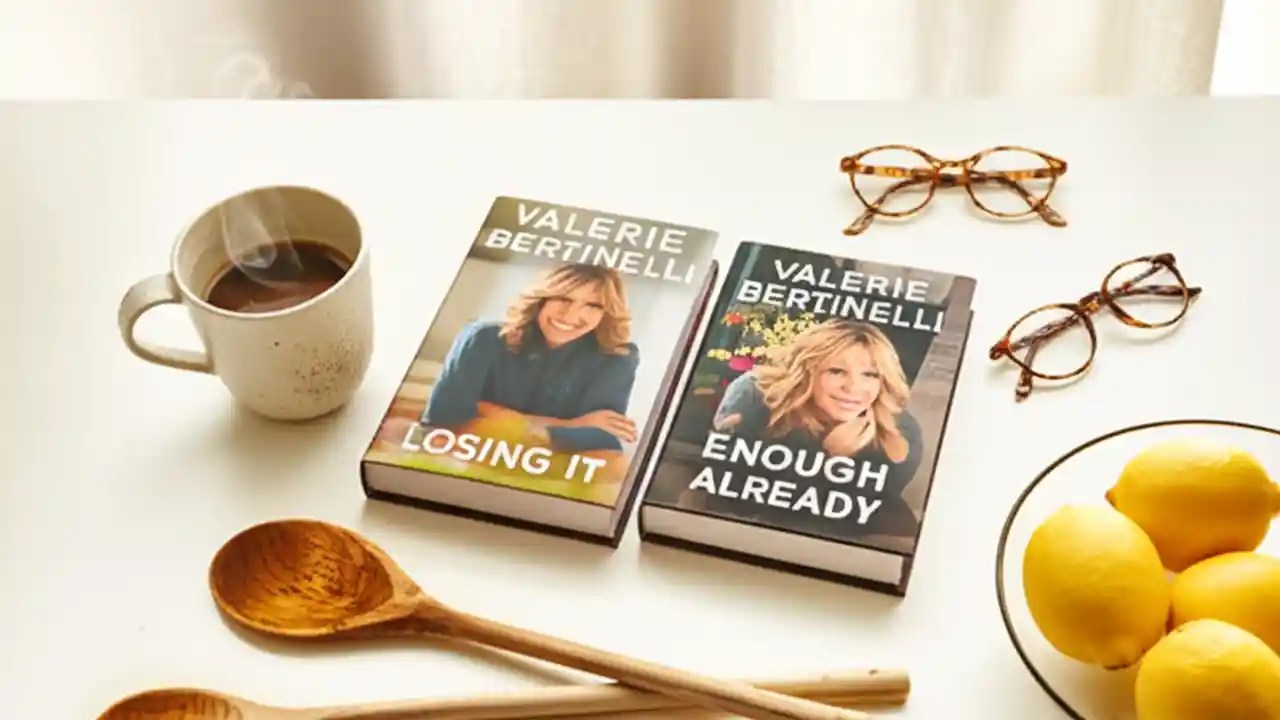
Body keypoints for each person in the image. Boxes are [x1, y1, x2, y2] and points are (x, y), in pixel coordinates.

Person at [710, 318, 924, 538]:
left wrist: (836, 467)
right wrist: (825, 458)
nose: (853, 387)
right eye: (836, 371)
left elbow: (842, 525)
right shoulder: (754, 396)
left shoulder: (900, 433)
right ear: (806, 371)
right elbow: (733, 499)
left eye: (870, 374)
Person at [421, 262, 640, 452]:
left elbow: (601, 438)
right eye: (562, 298)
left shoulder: (618, 356)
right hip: (466, 452)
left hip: (548, 465)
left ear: (607, 313)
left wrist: (489, 412)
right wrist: (572, 425)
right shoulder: (483, 338)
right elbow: (444, 419)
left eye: (592, 305)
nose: (572, 315)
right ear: (540, 300)